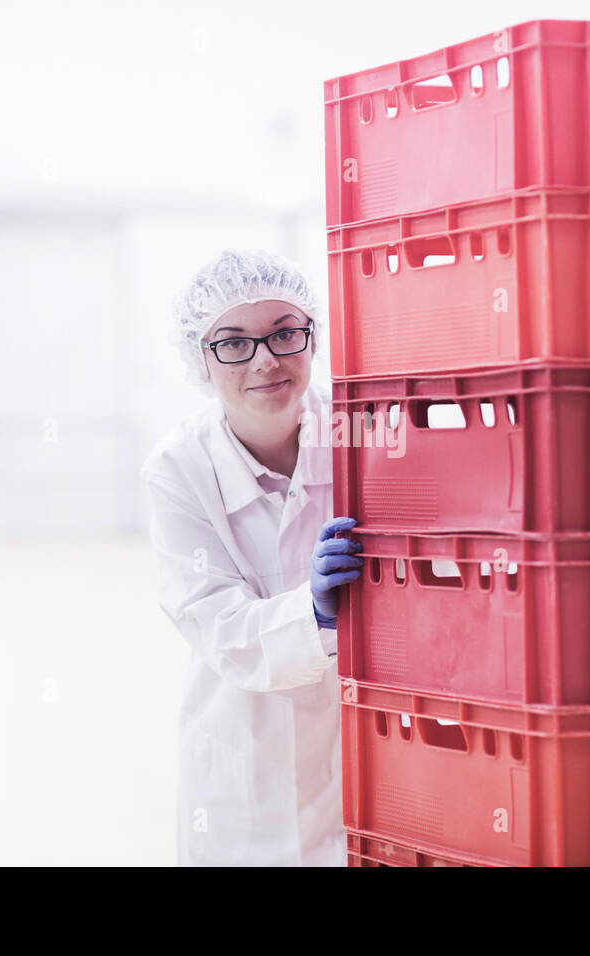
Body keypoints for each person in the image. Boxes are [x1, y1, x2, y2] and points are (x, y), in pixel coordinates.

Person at [140, 249, 362, 866]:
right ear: (201, 358)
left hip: (365, 754)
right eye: (234, 343)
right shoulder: (179, 469)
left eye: (285, 333)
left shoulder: (363, 433)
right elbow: (213, 621)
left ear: (311, 336)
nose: (266, 359)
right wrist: (313, 613)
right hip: (243, 765)